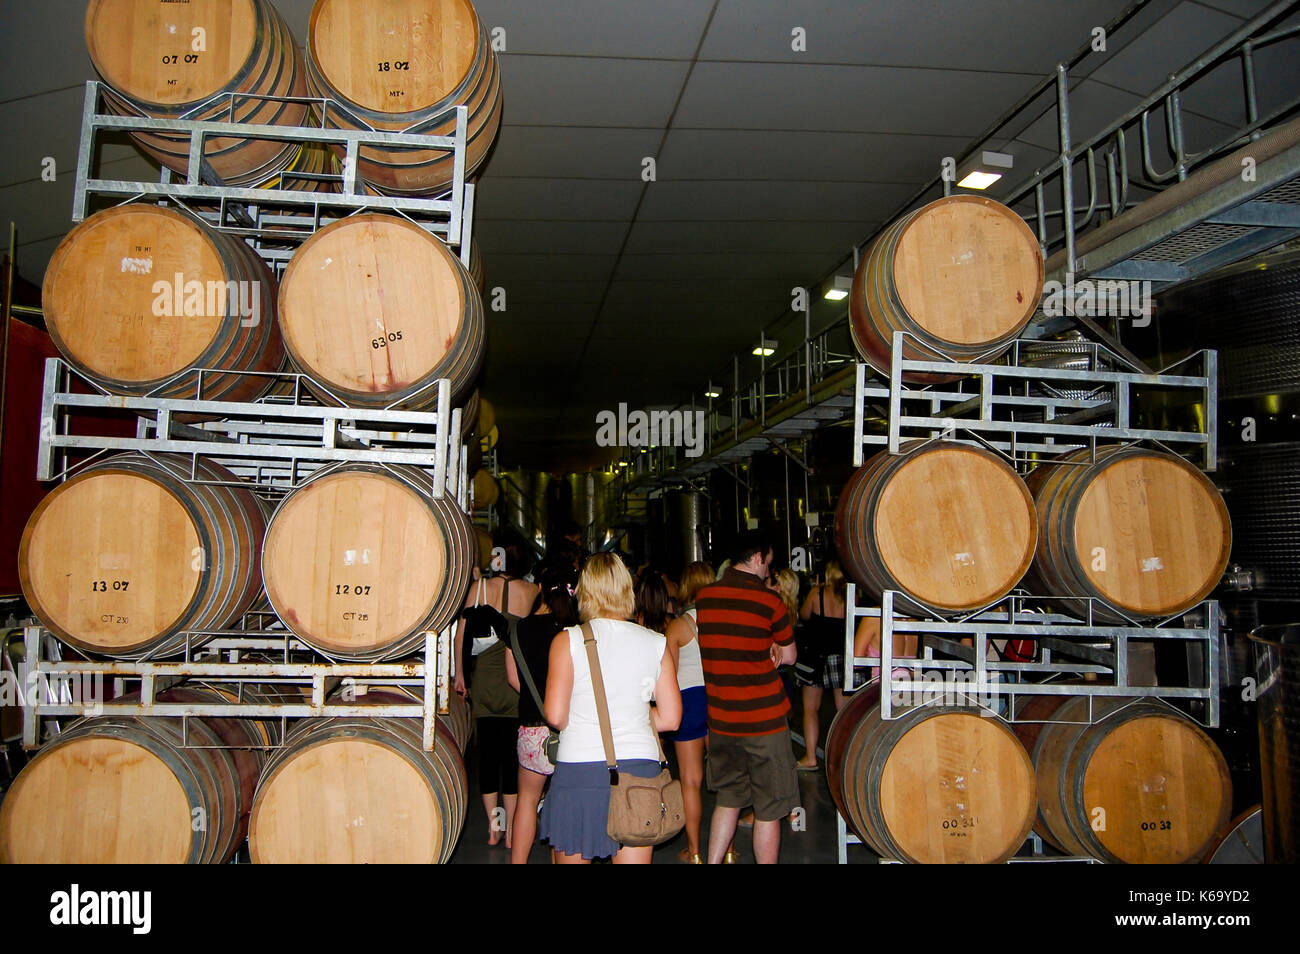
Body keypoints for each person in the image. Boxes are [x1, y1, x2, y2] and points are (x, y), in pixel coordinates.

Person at [539, 553, 682, 864]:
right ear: (627, 589)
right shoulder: (656, 642)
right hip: (639, 772)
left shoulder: (568, 641)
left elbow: (555, 715)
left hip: (580, 772)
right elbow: (671, 718)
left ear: (584, 591)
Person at [696, 532, 798, 864]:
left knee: (727, 800)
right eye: (768, 563)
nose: (769, 571)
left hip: (723, 720)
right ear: (756, 558)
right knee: (769, 808)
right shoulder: (770, 602)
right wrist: (770, 644)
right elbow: (791, 656)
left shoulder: (706, 597)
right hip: (764, 721)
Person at [455, 533, 540, 849]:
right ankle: (513, 834)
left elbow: (461, 636)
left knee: (488, 760)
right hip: (517, 683)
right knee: (514, 760)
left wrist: (460, 674)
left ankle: (496, 829)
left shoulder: (479, 590)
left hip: (485, 683)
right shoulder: (532, 591)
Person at [505, 560, 578, 864]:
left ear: (540, 590)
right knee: (565, 802)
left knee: (527, 800)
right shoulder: (573, 631)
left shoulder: (518, 629)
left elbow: (512, 678)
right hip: (569, 729)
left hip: (531, 727)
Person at [662, 560, 714, 863]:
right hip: (718, 700)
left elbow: (669, 674)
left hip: (689, 702)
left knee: (691, 780)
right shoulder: (722, 620)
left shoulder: (679, 626)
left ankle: (694, 851)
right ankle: (729, 849)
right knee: (723, 781)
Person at [795, 561, 848, 770]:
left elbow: (804, 614)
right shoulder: (849, 595)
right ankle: (844, 754)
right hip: (841, 657)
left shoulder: (817, 593)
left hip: (816, 657)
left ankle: (810, 756)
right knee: (843, 710)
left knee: (810, 708)